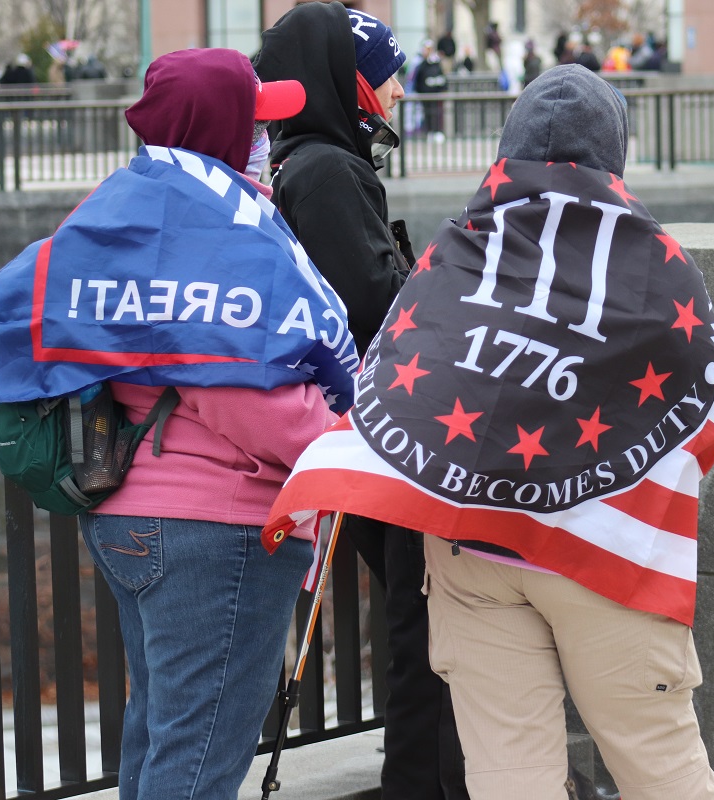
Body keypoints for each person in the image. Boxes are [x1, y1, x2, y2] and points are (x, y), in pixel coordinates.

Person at [262, 63, 714, 799]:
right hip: (600, 553)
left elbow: (398, 371)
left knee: (509, 778)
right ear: (614, 151)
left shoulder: (459, 247)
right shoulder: (653, 264)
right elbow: (707, 406)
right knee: (661, 765)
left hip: (472, 550)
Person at [0, 48, 353, 800]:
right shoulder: (212, 232)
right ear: (218, 128)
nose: (264, 139)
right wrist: (348, 442)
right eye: (254, 123)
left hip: (130, 511)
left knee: (161, 738)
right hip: (216, 528)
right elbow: (242, 394)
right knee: (197, 761)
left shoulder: (125, 208)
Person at [255, 5, 471, 799]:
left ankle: (428, 774)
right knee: (425, 618)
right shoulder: (328, 171)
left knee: (422, 614)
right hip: (384, 427)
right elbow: (375, 303)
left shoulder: (301, 161)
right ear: (347, 84)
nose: (397, 93)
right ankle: (426, 780)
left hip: (357, 426)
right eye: (385, 78)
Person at [412, 39, 448, 139]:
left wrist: (439, 84)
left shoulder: (436, 62)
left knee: (437, 113)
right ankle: (429, 131)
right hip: (425, 94)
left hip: (436, 94)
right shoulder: (421, 63)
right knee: (427, 113)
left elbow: (441, 76)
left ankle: (437, 131)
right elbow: (418, 79)